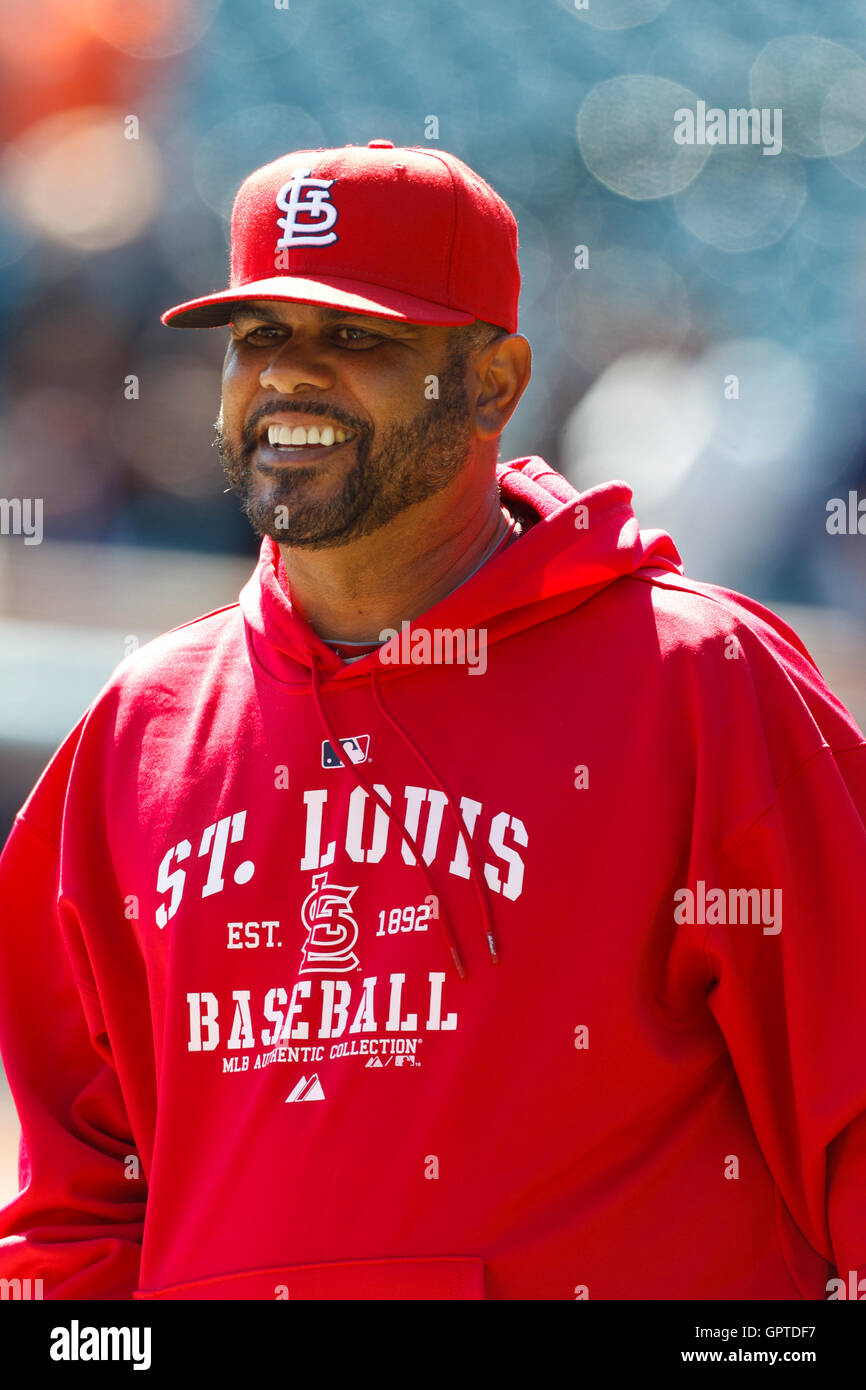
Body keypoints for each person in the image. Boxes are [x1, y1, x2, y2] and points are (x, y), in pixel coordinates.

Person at [0, 140, 864, 1302]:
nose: (290, 379)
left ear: (493, 382)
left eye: (356, 339)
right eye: (259, 337)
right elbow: (76, 1212)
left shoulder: (700, 682)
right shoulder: (140, 729)